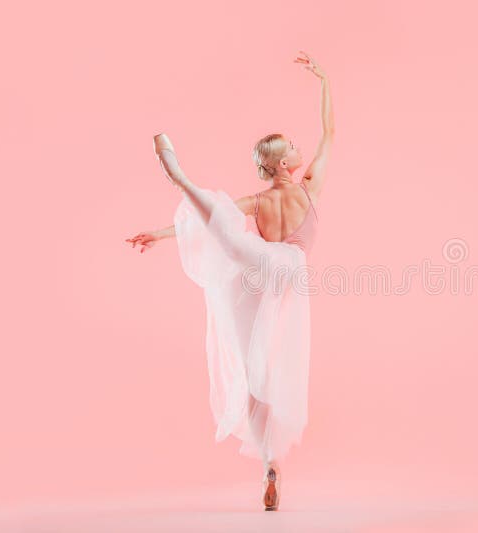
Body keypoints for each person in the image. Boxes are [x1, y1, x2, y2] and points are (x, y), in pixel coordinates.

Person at [125, 50, 334, 511]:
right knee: (273, 364)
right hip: (288, 273)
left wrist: (160, 236)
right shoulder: (309, 187)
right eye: (292, 150)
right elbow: (330, 133)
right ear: (284, 166)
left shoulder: (257, 201)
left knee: (221, 223)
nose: (300, 151)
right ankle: (272, 462)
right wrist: (324, 81)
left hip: (257, 267)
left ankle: (268, 464)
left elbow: (209, 225)